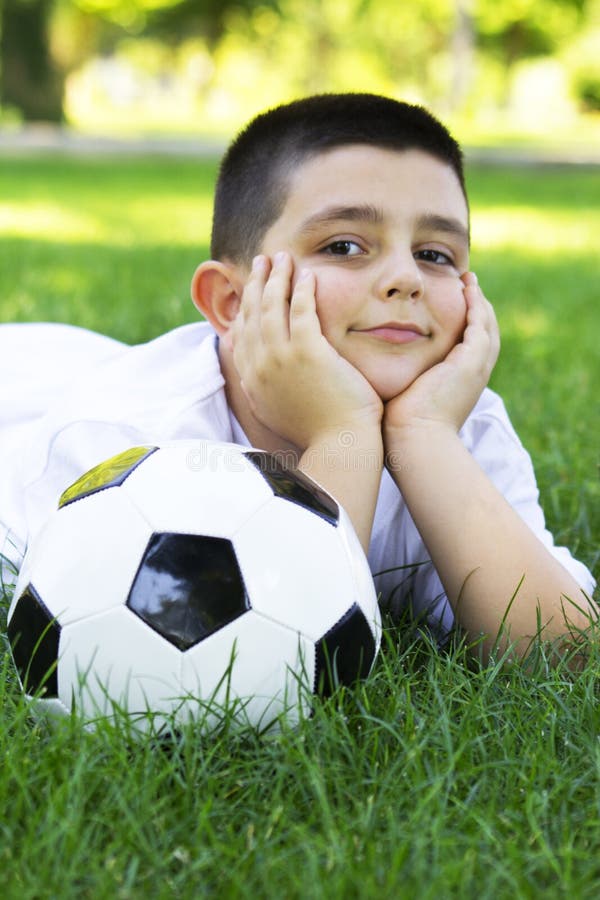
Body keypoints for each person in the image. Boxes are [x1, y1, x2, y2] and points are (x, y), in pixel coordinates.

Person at [0, 93, 595, 660]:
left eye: (435, 254)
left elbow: (562, 650)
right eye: (344, 246)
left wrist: (424, 436)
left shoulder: (458, 422)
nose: (406, 278)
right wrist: (343, 432)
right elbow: (259, 657)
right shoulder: (123, 443)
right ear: (233, 302)